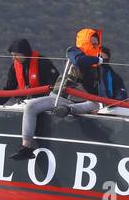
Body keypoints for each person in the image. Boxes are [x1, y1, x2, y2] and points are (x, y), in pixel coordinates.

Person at [8, 30, 102, 160]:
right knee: (31, 107)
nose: (95, 46)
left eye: (97, 43)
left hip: (86, 102)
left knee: (94, 104)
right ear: (84, 41)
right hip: (60, 98)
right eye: (92, 42)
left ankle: (69, 110)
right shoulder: (73, 51)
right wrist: (98, 59)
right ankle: (26, 147)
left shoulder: (99, 64)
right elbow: (79, 61)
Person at [0, 38, 61, 106]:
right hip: (23, 103)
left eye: (16, 55)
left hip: (43, 103)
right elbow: (9, 88)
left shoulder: (43, 63)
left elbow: (56, 85)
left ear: (24, 53)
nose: (13, 58)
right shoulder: (14, 66)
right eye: (12, 55)